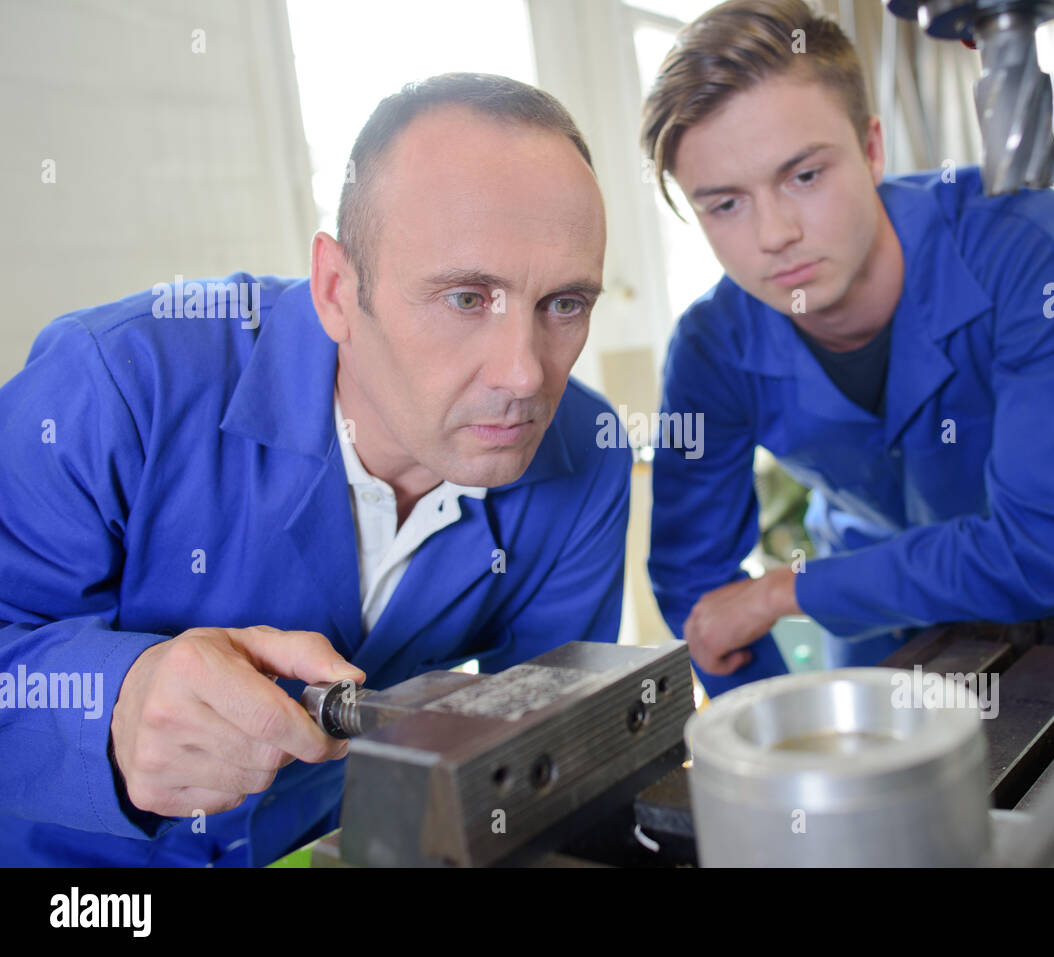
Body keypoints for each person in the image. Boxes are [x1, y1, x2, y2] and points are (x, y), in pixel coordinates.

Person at [0, 73, 629, 866]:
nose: (525, 376)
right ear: (336, 287)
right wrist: (110, 706)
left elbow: (539, 750)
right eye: (468, 298)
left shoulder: (588, 452)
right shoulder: (116, 385)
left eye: (564, 303)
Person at [641, 0, 1054, 697]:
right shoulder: (712, 348)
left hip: (1016, 611)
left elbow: (1038, 558)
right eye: (725, 204)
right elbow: (694, 583)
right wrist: (783, 740)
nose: (774, 234)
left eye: (804, 176)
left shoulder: (1023, 247)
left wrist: (781, 592)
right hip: (857, 622)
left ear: (871, 150)